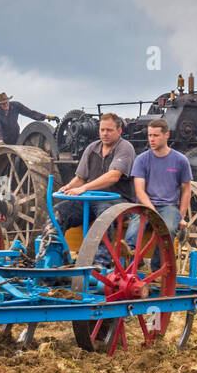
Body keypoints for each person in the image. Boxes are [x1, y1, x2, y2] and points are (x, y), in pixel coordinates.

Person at [50, 113, 135, 264]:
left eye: (109, 130)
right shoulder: (92, 148)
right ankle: (53, 259)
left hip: (118, 201)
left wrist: (83, 188)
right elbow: (80, 178)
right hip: (90, 200)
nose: (105, 134)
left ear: (119, 131)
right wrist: (68, 187)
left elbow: (113, 176)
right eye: (102, 130)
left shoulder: (125, 148)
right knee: (58, 212)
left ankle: (100, 264)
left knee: (103, 214)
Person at [130, 119, 192, 270]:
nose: (151, 139)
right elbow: (139, 190)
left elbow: (186, 190)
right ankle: (130, 264)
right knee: (132, 231)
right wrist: (151, 211)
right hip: (144, 204)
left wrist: (181, 217)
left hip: (168, 206)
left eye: (156, 135)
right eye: (150, 135)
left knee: (169, 228)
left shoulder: (180, 160)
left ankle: (158, 268)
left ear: (166, 135)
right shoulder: (141, 159)